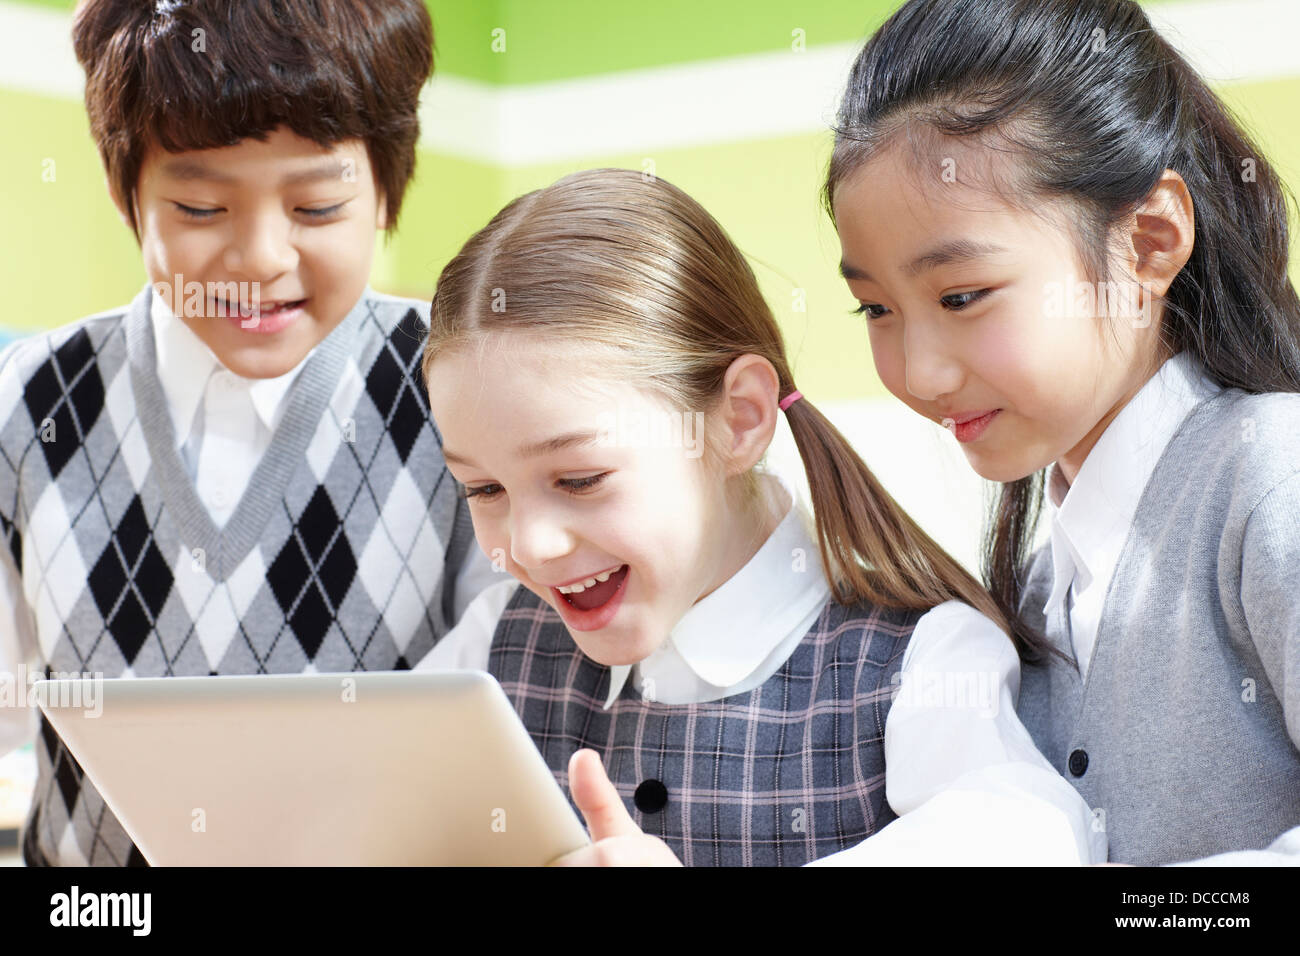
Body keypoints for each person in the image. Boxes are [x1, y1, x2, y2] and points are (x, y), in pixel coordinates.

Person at [415, 167, 1108, 866]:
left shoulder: (923, 659)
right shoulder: (492, 647)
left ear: (740, 418)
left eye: (579, 478)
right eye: (483, 490)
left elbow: (1032, 836)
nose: (529, 545)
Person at [0, 0, 497, 866]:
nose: (260, 258)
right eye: (198, 207)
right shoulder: (28, 400)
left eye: (315, 208)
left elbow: (489, 714)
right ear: (128, 199)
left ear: (384, 194)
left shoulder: (459, 384)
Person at [825, 0, 1300, 864]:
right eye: (877, 309)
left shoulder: (1274, 477)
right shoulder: (1039, 594)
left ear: (1149, 244)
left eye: (961, 296)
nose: (919, 373)